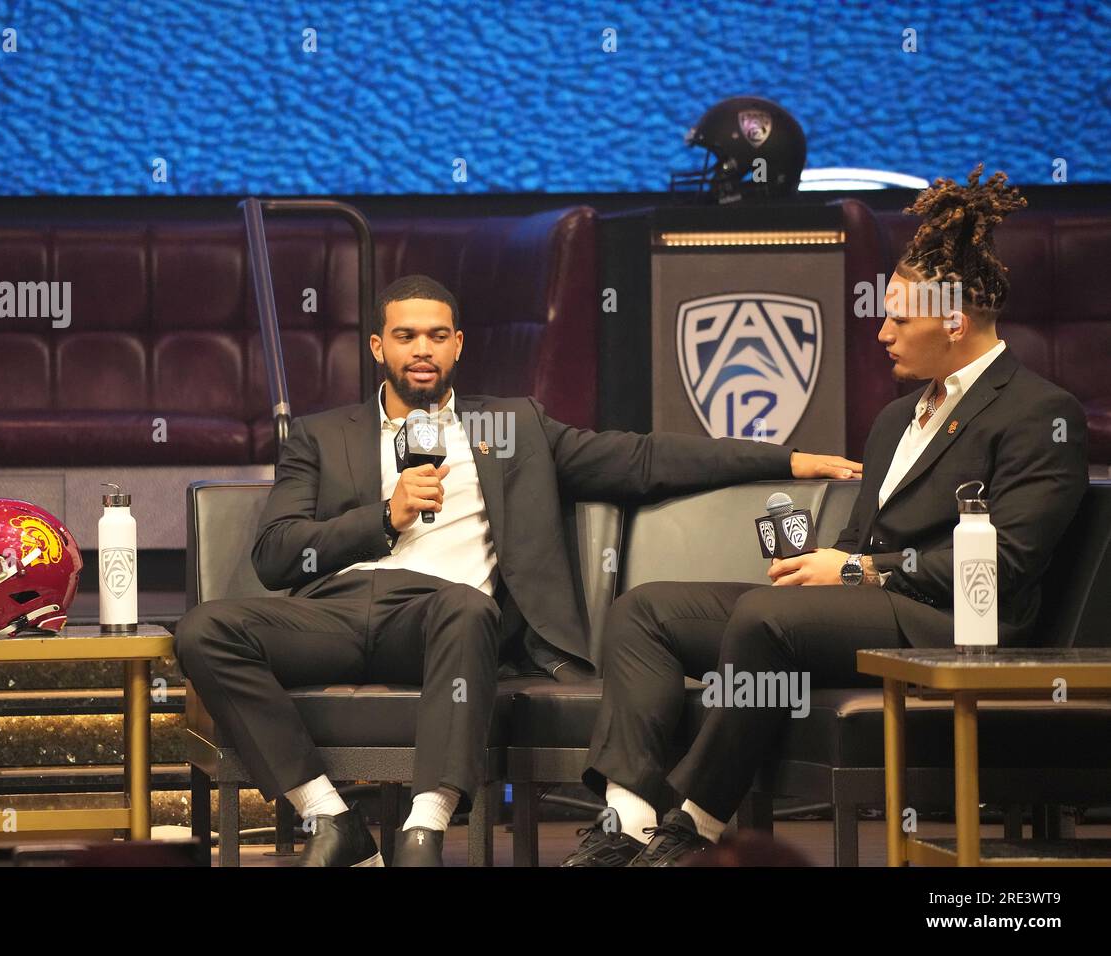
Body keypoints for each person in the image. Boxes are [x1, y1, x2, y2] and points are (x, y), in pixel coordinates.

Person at [174, 273, 860, 866]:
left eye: (438, 335)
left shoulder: (513, 428)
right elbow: (277, 553)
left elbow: (643, 460)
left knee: (470, 606)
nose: (422, 349)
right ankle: (331, 817)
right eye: (406, 336)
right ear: (379, 347)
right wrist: (384, 517)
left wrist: (787, 460)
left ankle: (424, 829)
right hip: (336, 614)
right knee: (204, 630)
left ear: (459, 346)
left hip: (447, 623)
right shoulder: (322, 437)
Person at [566, 166, 1089, 867]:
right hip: (873, 605)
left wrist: (856, 569)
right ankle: (627, 821)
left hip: (959, 623)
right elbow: (860, 540)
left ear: (955, 320)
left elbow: (1009, 561)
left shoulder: (1038, 413)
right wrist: (828, 567)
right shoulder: (899, 416)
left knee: (767, 619)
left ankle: (692, 824)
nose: (883, 333)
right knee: (645, 611)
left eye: (900, 317)